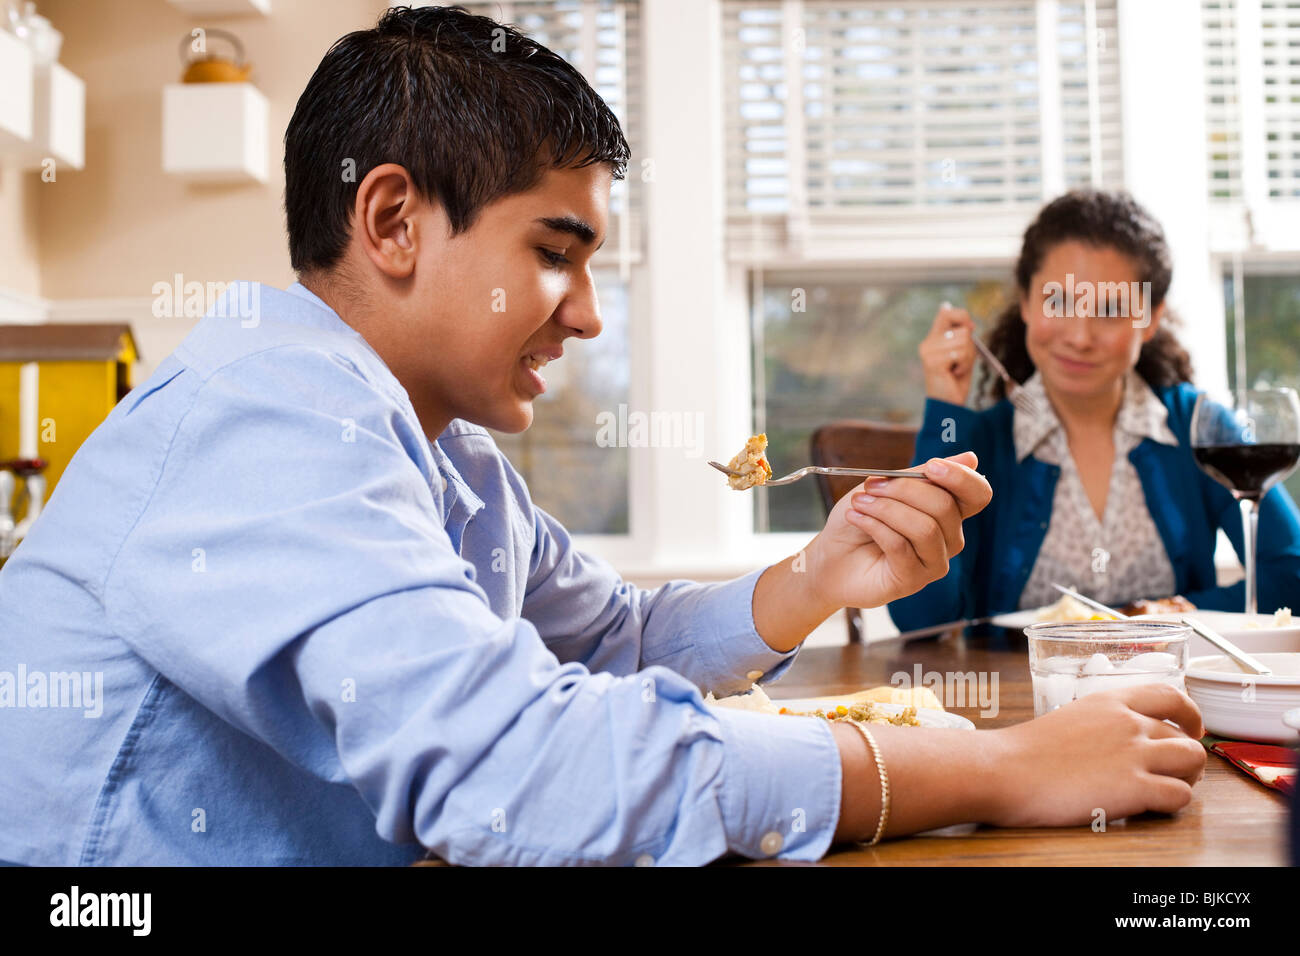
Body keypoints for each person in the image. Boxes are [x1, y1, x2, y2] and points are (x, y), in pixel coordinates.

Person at [0, 7, 1205, 866]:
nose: (582, 313)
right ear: (392, 218)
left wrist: (815, 572)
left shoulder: (447, 455)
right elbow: (521, 768)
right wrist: (997, 770)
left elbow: (615, 640)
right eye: (553, 253)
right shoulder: (264, 418)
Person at [890, 189, 1300, 632]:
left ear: (1151, 316)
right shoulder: (979, 444)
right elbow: (921, 620)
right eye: (1059, 302)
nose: (1080, 336)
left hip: (1166, 693)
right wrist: (943, 410)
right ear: (1026, 302)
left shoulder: (1198, 426)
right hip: (1023, 697)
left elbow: (1291, 579)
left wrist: (1148, 616)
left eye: (1110, 310)